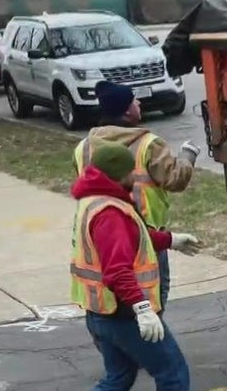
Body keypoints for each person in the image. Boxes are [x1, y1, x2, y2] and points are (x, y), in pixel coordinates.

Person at [45, 141, 217, 391]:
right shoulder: (110, 211)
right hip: (123, 314)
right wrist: (142, 309)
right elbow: (118, 268)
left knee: (117, 379)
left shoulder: (93, 201)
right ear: (118, 172)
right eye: (131, 170)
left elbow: (132, 237)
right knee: (172, 371)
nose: (136, 175)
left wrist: (170, 240)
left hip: (100, 313)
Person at [72, 81, 201, 310]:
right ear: (125, 109)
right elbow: (175, 179)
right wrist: (187, 156)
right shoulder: (149, 144)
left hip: (98, 235)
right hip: (145, 234)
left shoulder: (83, 147)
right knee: (153, 297)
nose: (138, 102)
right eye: (133, 100)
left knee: (112, 294)